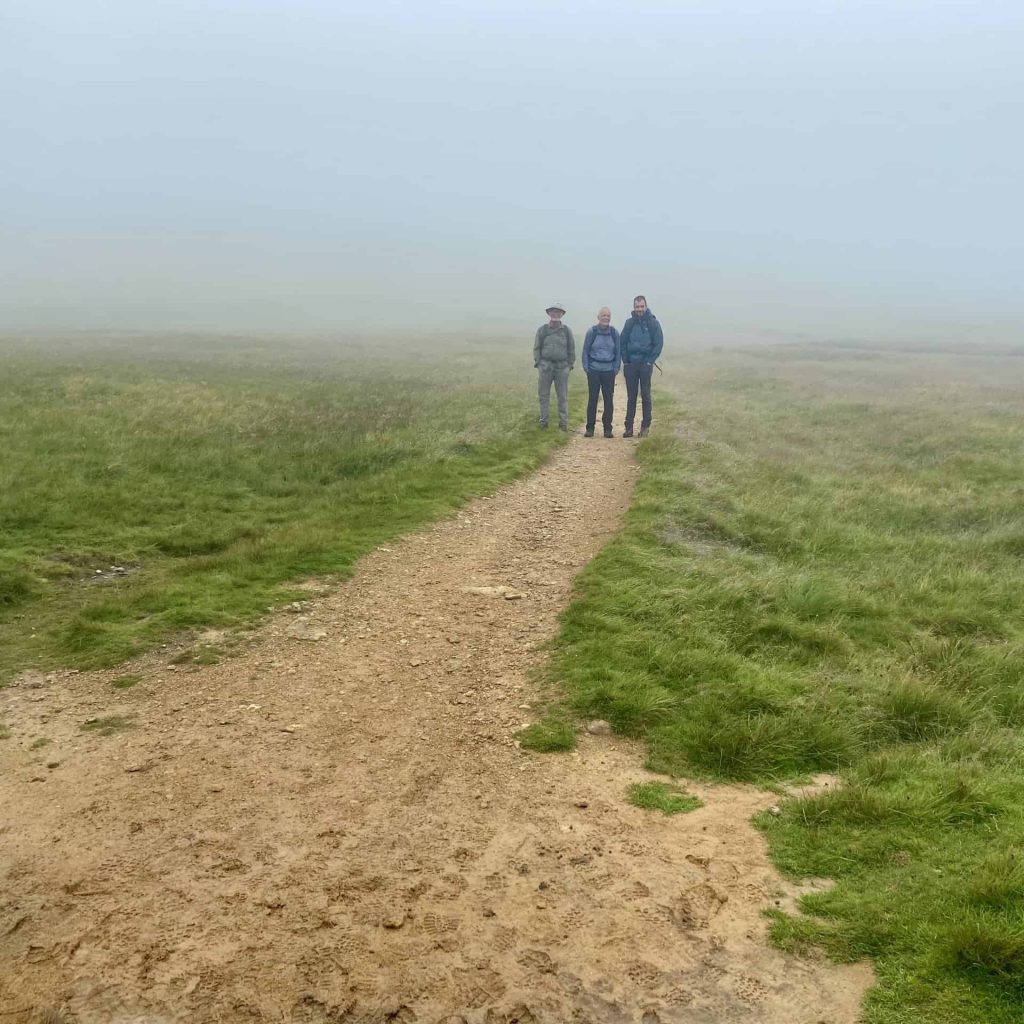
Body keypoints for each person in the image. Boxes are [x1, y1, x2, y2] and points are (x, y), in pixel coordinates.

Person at [620, 294, 664, 438]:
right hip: (631, 364)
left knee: (646, 396)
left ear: (646, 306)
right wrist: (625, 360)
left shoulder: (653, 323)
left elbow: (658, 344)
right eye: (637, 307)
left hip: (645, 364)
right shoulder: (629, 323)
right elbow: (623, 342)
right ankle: (629, 428)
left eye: (642, 306)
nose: (639, 309)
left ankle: (645, 427)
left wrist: (649, 361)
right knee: (631, 397)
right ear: (634, 307)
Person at [533, 303, 576, 431]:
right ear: (549, 314)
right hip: (545, 367)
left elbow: (571, 350)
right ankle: (543, 422)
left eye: (558, 312)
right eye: (553, 312)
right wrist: (539, 363)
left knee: (562, 396)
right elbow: (536, 348)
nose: (555, 314)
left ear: (562, 314)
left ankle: (563, 424)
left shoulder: (566, 331)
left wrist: (569, 366)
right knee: (543, 395)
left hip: (562, 368)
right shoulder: (542, 330)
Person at [581, 307, 621, 437]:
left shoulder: (614, 333)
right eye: (603, 315)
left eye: (608, 315)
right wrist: (587, 367)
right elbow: (585, 351)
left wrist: (616, 368)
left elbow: (618, 353)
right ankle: (590, 428)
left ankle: (607, 428)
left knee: (608, 400)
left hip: (609, 371)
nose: (606, 317)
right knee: (593, 399)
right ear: (598, 317)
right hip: (593, 370)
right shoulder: (592, 332)